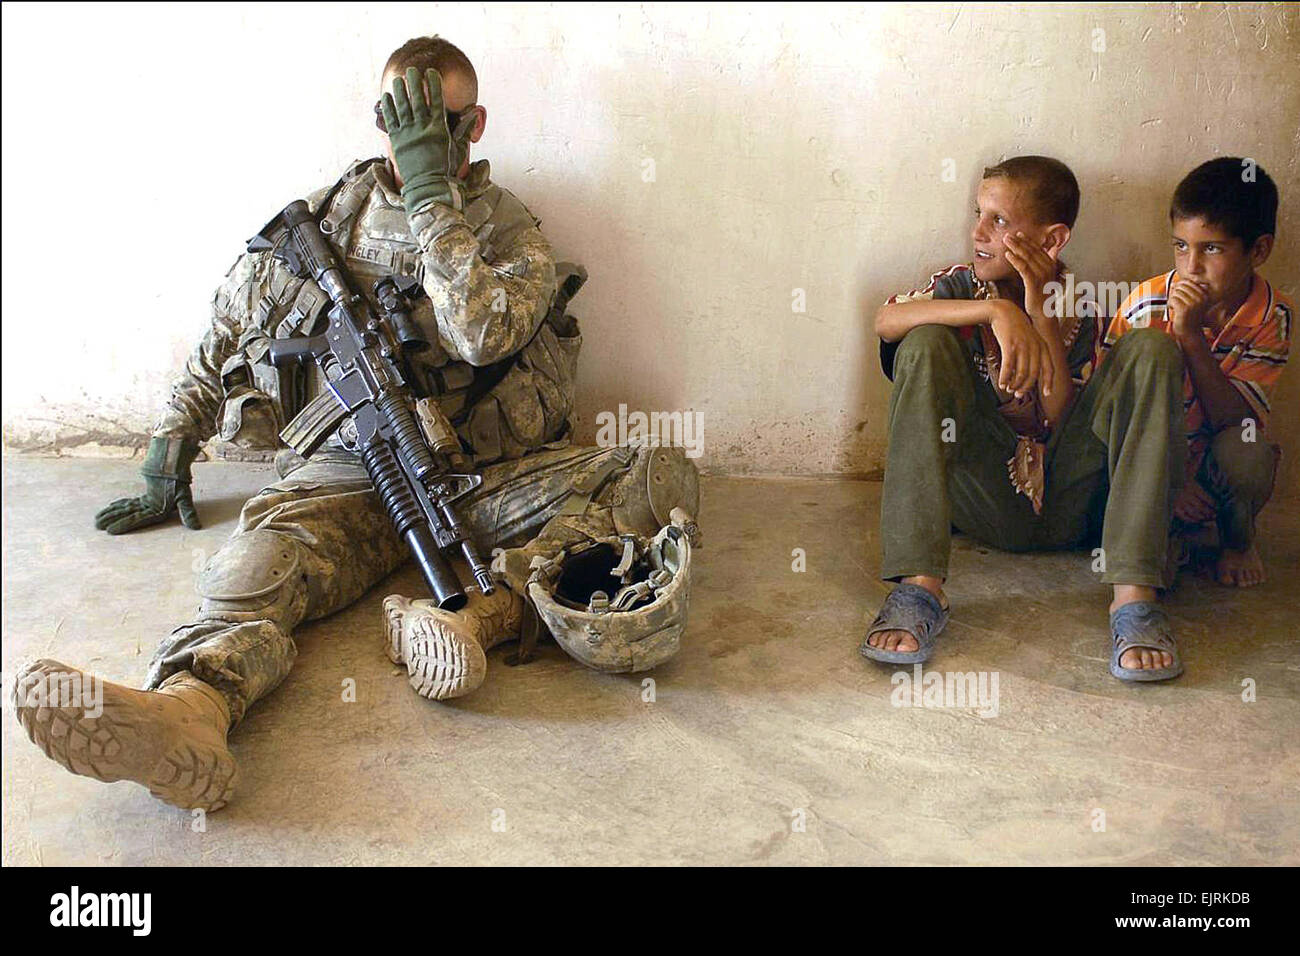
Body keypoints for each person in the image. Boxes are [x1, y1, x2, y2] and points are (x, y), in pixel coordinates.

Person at [11, 36, 700, 812]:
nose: (416, 140)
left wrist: (434, 199)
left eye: (439, 124)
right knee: (258, 564)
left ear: (476, 129)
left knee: (653, 473)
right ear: (378, 120)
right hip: (351, 470)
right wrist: (171, 447)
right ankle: (188, 710)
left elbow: (483, 334)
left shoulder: (510, 233)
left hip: (483, 479)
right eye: (401, 118)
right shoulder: (331, 221)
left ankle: (481, 614)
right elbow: (227, 326)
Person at [863, 155, 1193, 682]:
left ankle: (1134, 599)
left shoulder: (1085, 307)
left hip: (1074, 502)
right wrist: (997, 311)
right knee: (922, 342)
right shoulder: (959, 287)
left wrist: (1037, 307)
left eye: (998, 220)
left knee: (1152, 350)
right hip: (984, 498)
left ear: (1052, 239)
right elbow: (886, 320)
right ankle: (919, 588)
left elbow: (1060, 417)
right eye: (978, 213)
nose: (977, 232)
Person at [1102, 157, 1289, 590]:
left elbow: (1238, 422)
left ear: (1258, 251)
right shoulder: (1146, 305)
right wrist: (1171, 481)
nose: (1191, 266)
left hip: (1210, 467)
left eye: (1212, 248)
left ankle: (1236, 541)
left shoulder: (1271, 317)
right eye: (1181, 246)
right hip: (1142, 467)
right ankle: (1164, 539)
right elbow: (1107, 417)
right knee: (1161, 578)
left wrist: (1190, 335)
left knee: (1251, 452)